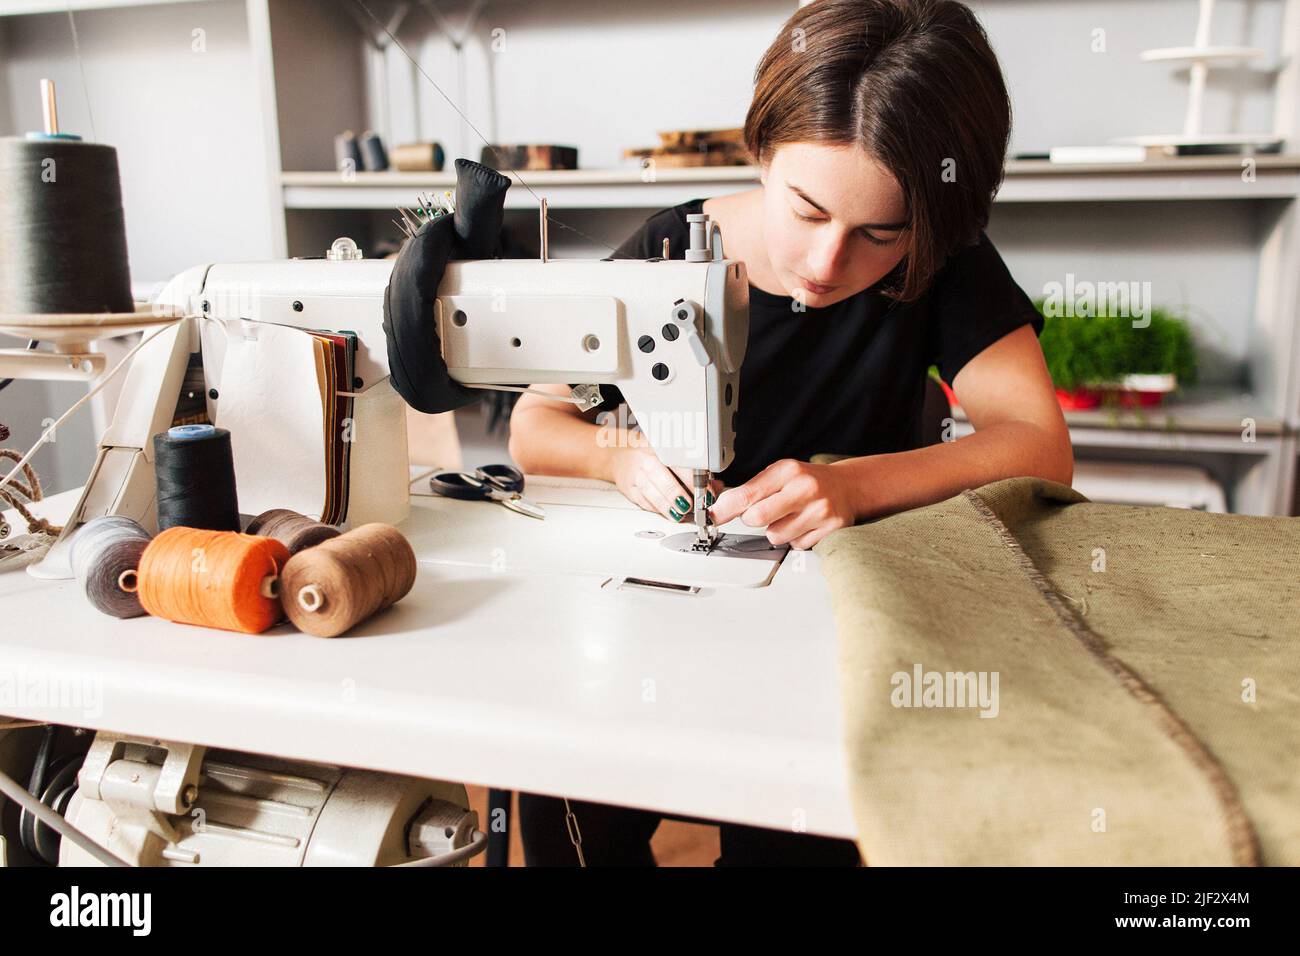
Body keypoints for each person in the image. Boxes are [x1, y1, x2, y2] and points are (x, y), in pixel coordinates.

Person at [507, 0, 1073, 866]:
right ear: (763, 151)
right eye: (806, 210)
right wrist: (616, 455)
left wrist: (852, 485)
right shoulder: (670, 251)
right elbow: (535, 424)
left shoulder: (946, 264)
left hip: (832, 628)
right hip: (653, 622)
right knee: (571, 798)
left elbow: (1038, 441)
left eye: (879, 234)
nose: (824, 264)